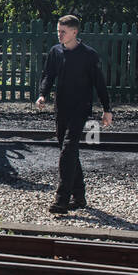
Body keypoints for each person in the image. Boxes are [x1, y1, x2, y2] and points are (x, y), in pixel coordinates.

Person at [34, 14, 113, 215]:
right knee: (67, 151)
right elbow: (48, 75)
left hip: (80, 108)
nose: (59, 35)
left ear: (74, 32)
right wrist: (42, 95)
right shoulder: (55, 52)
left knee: (68, 149)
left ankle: (62, 199)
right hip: (61, 107)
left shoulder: (89, 55)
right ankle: (79, 196)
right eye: (58, 31)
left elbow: (99, 83)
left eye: (63, 32)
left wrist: (107, 109)